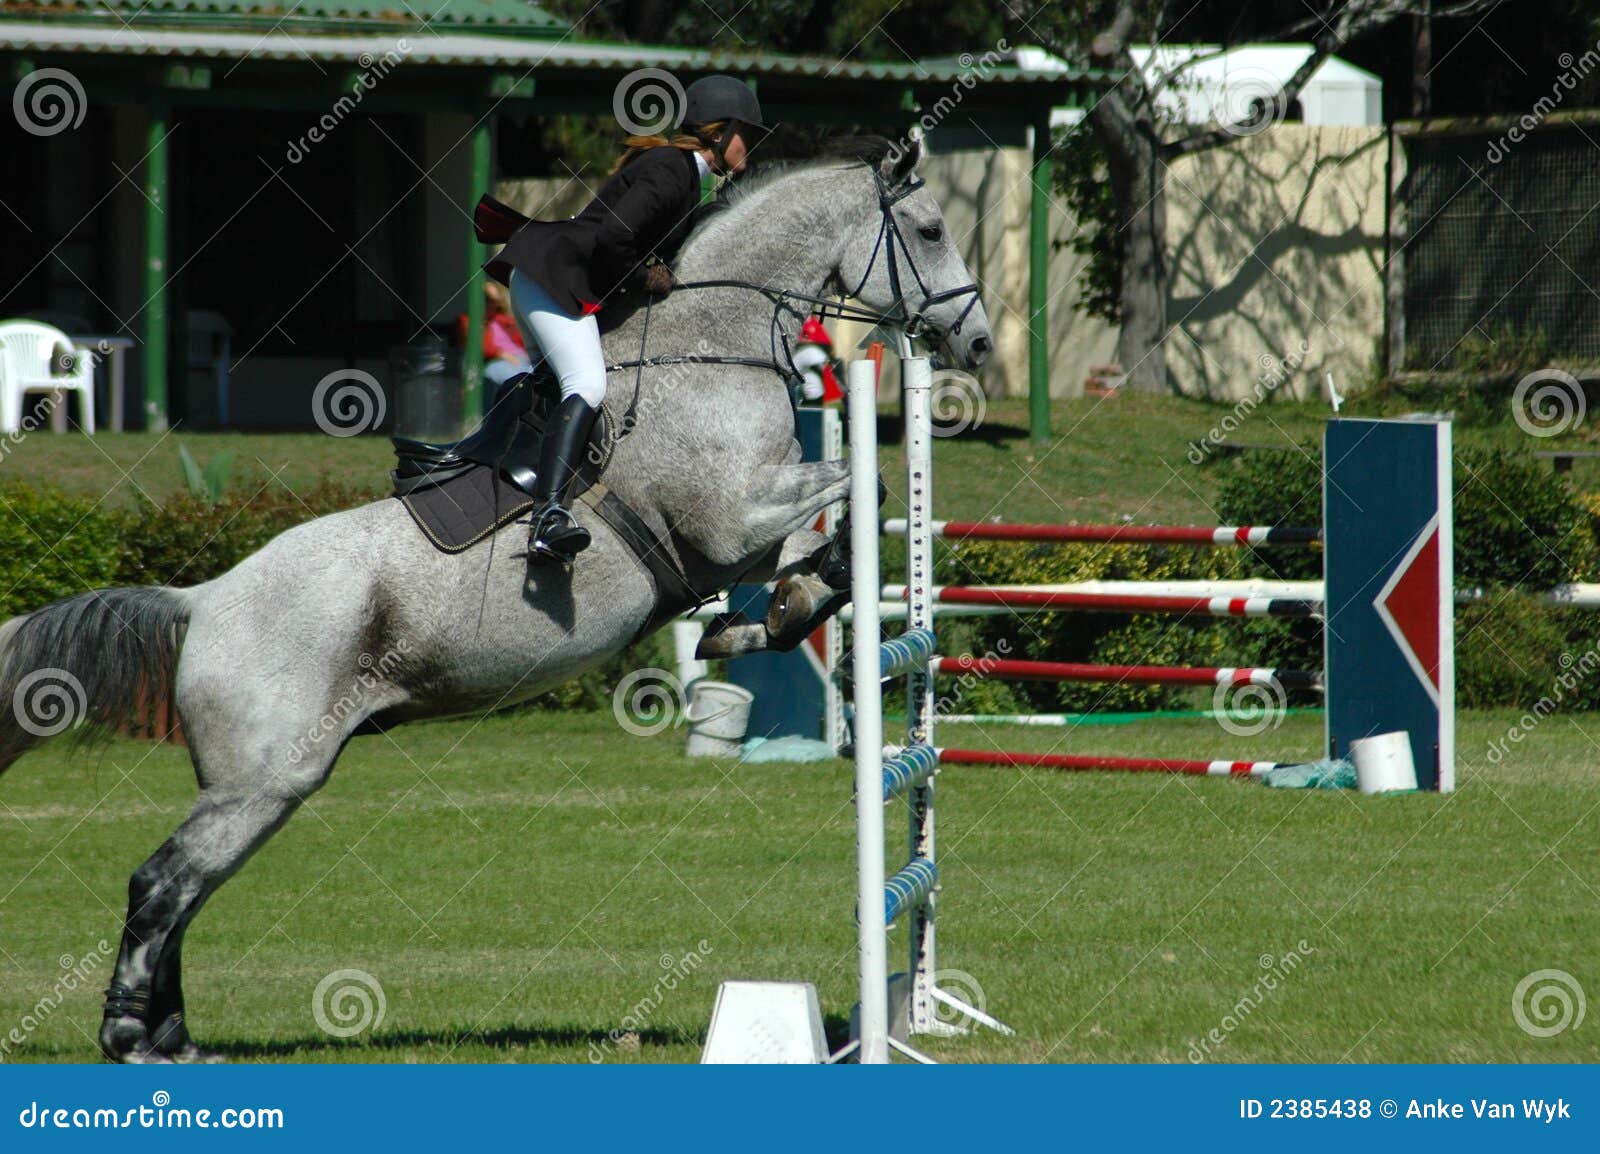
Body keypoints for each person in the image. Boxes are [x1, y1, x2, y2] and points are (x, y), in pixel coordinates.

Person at [480, 75, 768, 564]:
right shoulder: (674, 169)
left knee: (552, 388)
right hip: (554, 276)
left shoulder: (684, 177)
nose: (754, 147)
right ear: (719, 132)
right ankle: (547, 517)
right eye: (750, 135)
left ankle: (492, 470)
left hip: (543, 275)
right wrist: (645, 277)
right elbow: (616, 237)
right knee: (587, 386)